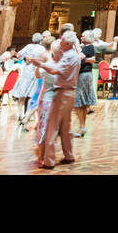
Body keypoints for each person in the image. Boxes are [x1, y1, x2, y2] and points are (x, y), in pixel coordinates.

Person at [30, 30, 82, 169]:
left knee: (52, 127)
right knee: (66, 126)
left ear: (68, 43)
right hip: (70, 93)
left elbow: (54, 70)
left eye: (63, 40)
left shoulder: (68, 56)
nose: (61, 41)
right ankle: (69, 155)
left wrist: (40, 64)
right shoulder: (74, 56)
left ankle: (49, 161)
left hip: (62, 93)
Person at [11, 32, 43, 118]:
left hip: (27, 71)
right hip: (36, 72)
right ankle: (27, 115)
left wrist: (25, 57)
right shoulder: (42, 49)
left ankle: (19, 113)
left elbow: (18, 56)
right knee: (31, 94)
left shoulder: (28, 46)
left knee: (22, 93)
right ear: (41, 40)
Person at [73, 36, 98, 134]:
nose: (81, 37)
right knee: (82, 103)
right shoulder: (86, 48)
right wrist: (89, 59)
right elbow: (89, 60)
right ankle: (82, 127)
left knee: (78, 102)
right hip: (85, 74)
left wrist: (85, 59)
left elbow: (79, 59)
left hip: (83, 75)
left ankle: (82, 126)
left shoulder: (88, 47)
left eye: (83, 35)